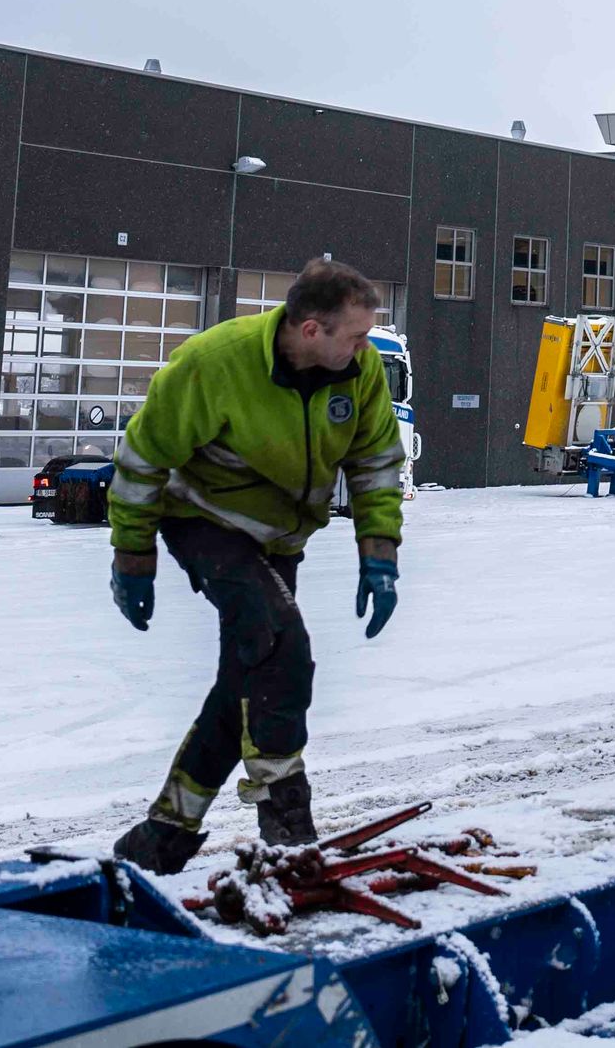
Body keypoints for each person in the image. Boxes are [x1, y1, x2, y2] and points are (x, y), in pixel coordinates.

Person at [105, 257, 407, 872]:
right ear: (312, 330)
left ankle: (164, 834)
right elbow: (142, 459)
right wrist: (132, 555)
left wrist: (379, 555)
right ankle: (284, 810)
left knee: (244, 683)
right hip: (204, 520)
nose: (364, 348)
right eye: (355, 335)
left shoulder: (360, 372)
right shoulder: (216, 364)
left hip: (278, 539)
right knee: (280, 645)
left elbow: (375, 462)